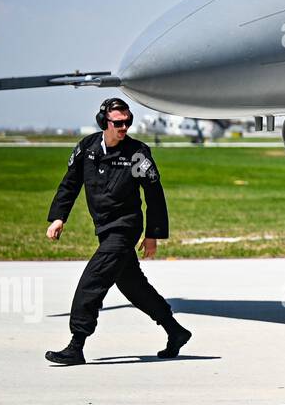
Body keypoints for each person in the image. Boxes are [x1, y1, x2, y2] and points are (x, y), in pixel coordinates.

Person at [44, 97, 191, 365]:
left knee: (92, 282)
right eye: (118, 123)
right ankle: (175, 331)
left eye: (127, 122)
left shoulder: (137, 153)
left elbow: (154, 194)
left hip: (124, 229)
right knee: (133, 287)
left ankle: (76, 345)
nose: (124, 128)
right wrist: (58, 218)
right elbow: (70, 184)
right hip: (104, 227)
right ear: (104, 122)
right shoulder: (87, 148)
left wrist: (152, 234)